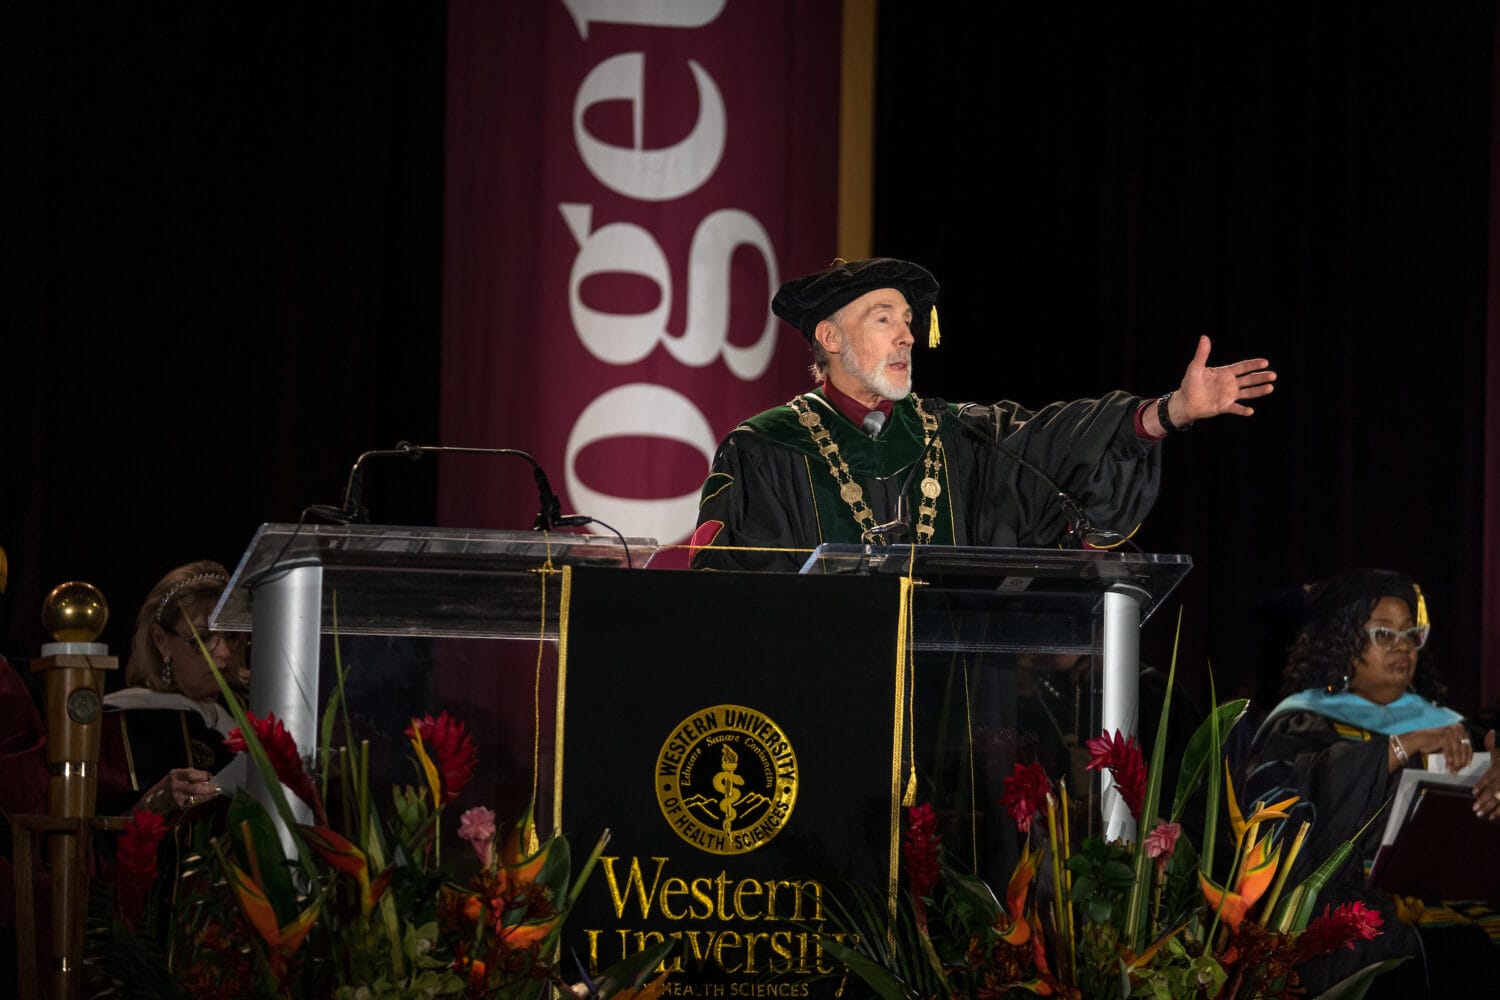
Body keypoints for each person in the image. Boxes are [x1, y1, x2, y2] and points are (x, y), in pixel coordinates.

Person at [689, 257, 1277, 571]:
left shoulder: (957, 435)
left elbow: (1055, 441)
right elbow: (739, 595)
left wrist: (1167, 413)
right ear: (830, 337)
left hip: (952, 706)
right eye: (884, 318)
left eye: (909, 322)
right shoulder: (764, 450)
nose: (907, 337)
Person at [1239, 569, 1499, 997]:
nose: (1402, 645)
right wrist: (1396, 749)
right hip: (1337, 919)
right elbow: (1284, 820)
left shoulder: (1444, 724)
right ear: (1343, 644)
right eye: (1384, 633)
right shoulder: (1298, 722)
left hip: (1440, 906)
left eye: (1411, 634)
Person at [97, 561, 249, 819]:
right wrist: (154, 803)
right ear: (162, 641)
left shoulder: (252, 710)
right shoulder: (121, 720)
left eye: (232, 636)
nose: (223, 653)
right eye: (202, 638)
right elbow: (96, 836)